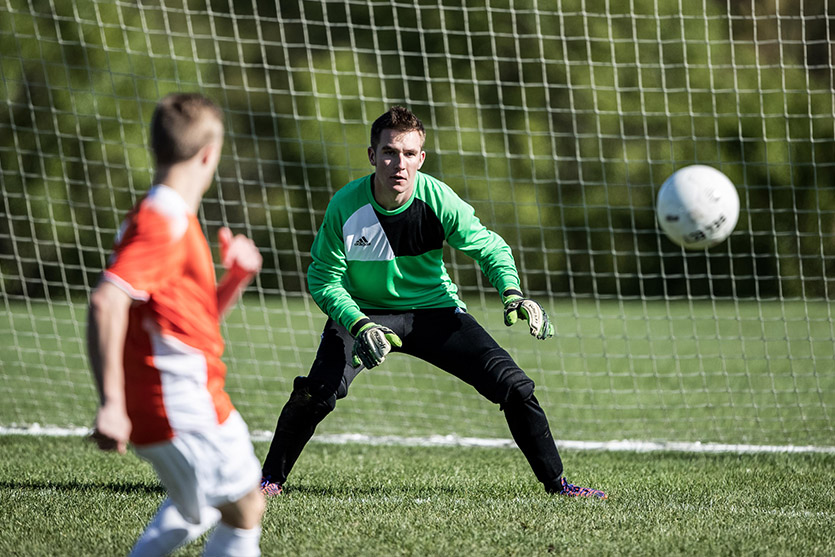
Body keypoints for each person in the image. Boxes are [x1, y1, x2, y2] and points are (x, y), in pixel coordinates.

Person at [259, 106, 606, 499]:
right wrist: (359, 324)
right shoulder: (345, 205)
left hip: (434, 312)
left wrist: (512, 293)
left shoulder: (438, 199)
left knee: (516, 387)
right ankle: (269, 481)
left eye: (409, 154)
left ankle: (559, 486)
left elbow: (490, 248)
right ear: (372, 156)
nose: (399, 164)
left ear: (421, 158)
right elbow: (323, 278)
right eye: (389, 152)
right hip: (364, 314)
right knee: (315, 392)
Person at [87, 92, 266, 556]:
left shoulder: (168, 216)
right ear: (210, 154)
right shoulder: (163, 221)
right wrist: (111, 405)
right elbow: (107, 301)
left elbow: (191, 321)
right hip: (182, 401)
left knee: (202, 506)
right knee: (244, 507)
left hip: (178, 397)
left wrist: (236, 278)